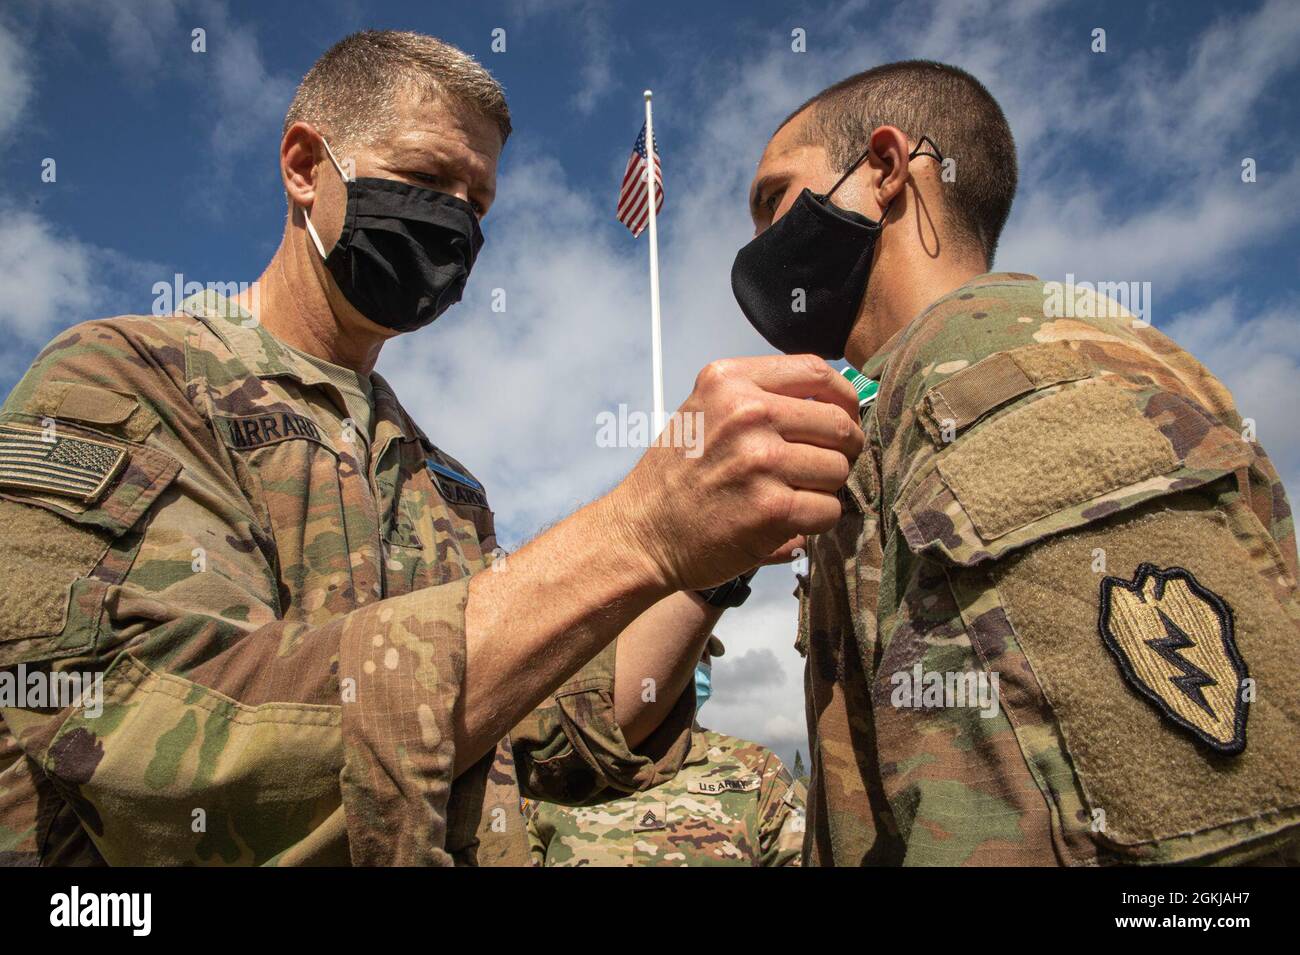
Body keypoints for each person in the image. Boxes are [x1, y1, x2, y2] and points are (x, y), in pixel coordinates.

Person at [0, 31, 863, 866]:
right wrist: (637, 530)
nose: (451, 220)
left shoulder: (444, 484)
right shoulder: (128, 380)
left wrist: (710, 558)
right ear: (305, 168)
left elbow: (556, 731)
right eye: (423, 178)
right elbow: (160, 755)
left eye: (476, 203)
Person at [731, 59, 1300, 865]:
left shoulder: (988, 375)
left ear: (886, 170)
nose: (758, 246)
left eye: (772, 200)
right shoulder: (939, 385)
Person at [526, 635, 805, 866]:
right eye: (681, 647)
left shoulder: (756, 769)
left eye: (703, 655)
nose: (696, 662)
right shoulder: (558, 771)